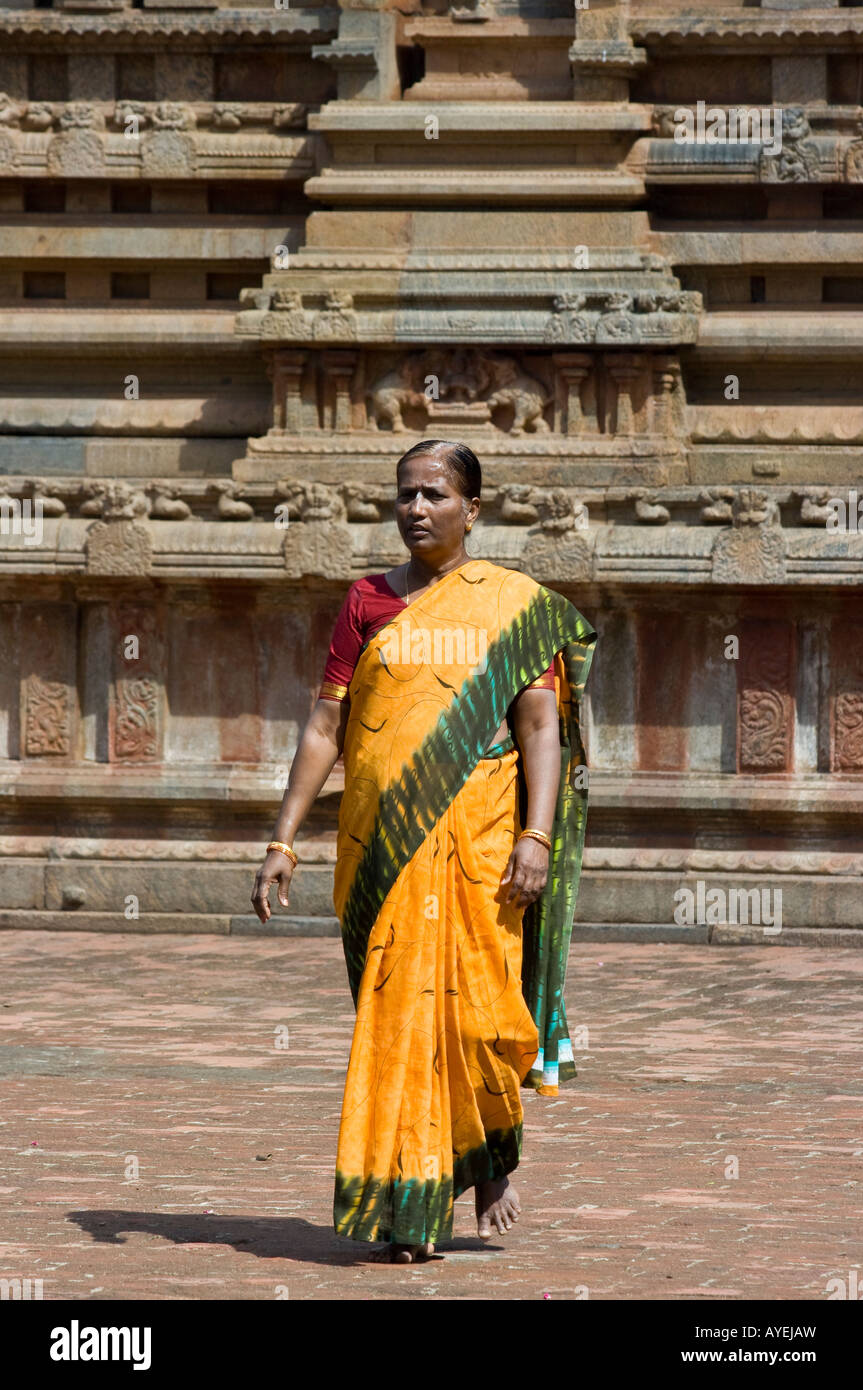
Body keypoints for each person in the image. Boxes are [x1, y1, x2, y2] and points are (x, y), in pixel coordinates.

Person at [251, 439, 596, 1263]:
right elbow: (326, 727)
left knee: (479, 1018)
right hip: (385, 850)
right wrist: (283, 839)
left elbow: (541, 728)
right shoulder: (366, 601)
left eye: (435, 495)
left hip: (482, 845)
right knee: (399, 1022)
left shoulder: (516, 607)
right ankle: (407, 1206)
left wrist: (536, 834)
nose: (416, 509)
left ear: (472, 509)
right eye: (405, 494)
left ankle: (488, 1166)